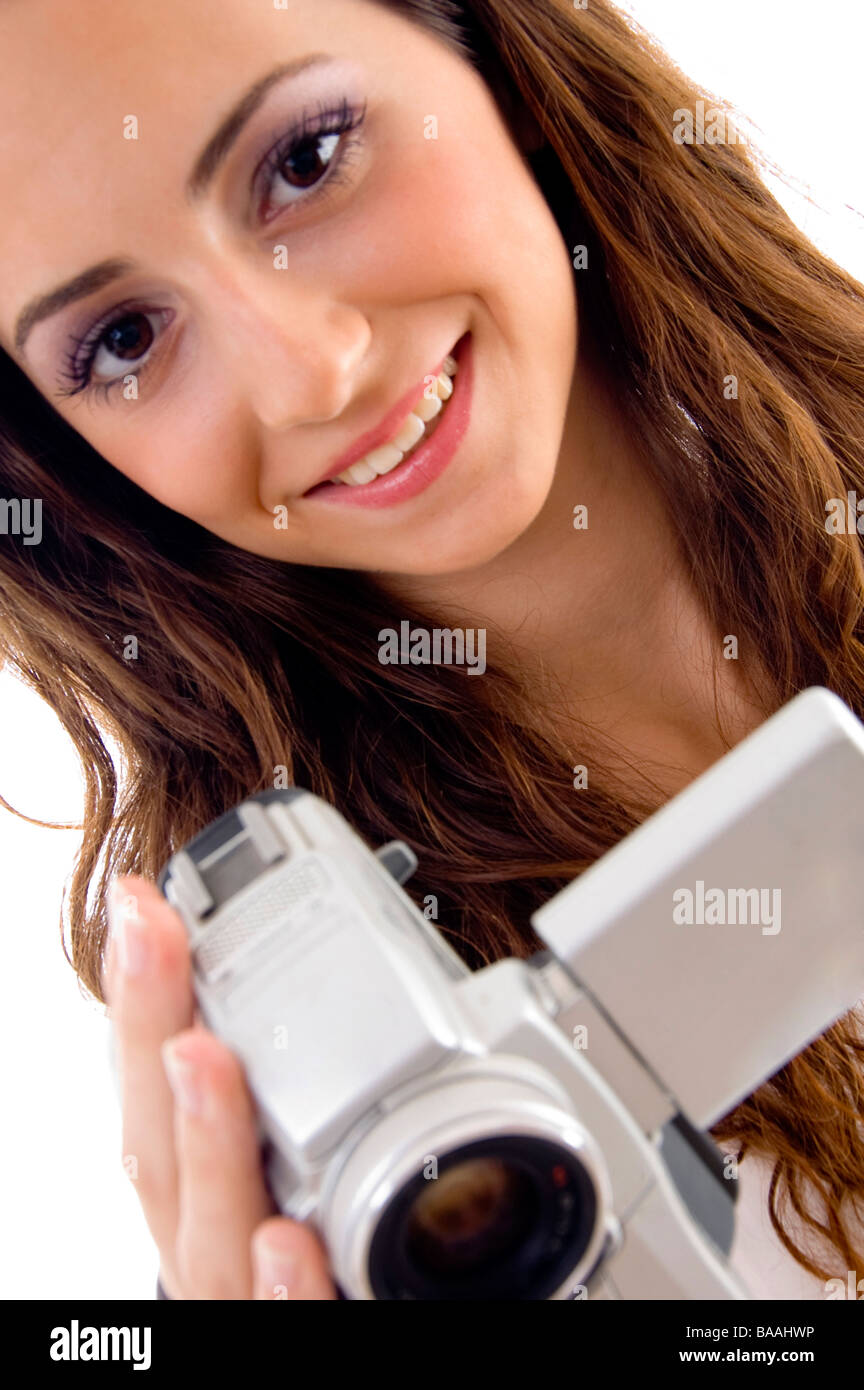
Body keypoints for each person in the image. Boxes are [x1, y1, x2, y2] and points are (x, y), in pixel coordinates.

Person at [0, 0, 862, 1300]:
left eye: (304, 160)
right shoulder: (321, 1076)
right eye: (123, 339)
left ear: (481, 41)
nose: (312, 374)